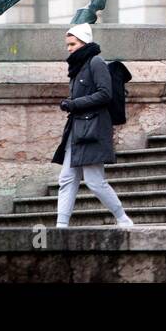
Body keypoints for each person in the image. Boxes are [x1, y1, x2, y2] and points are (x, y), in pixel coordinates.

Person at [51, 23, 134, 228]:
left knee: (95, 181)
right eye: (68, 45)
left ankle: (123, 218)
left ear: (84, 42)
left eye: (73, 44)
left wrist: (74, 104)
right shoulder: (78, 67)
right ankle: (61, 226)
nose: (69, 48)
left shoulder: (95, 62)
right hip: (77, 130)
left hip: (92, 129)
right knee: (67, 178)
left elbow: (105, 94)